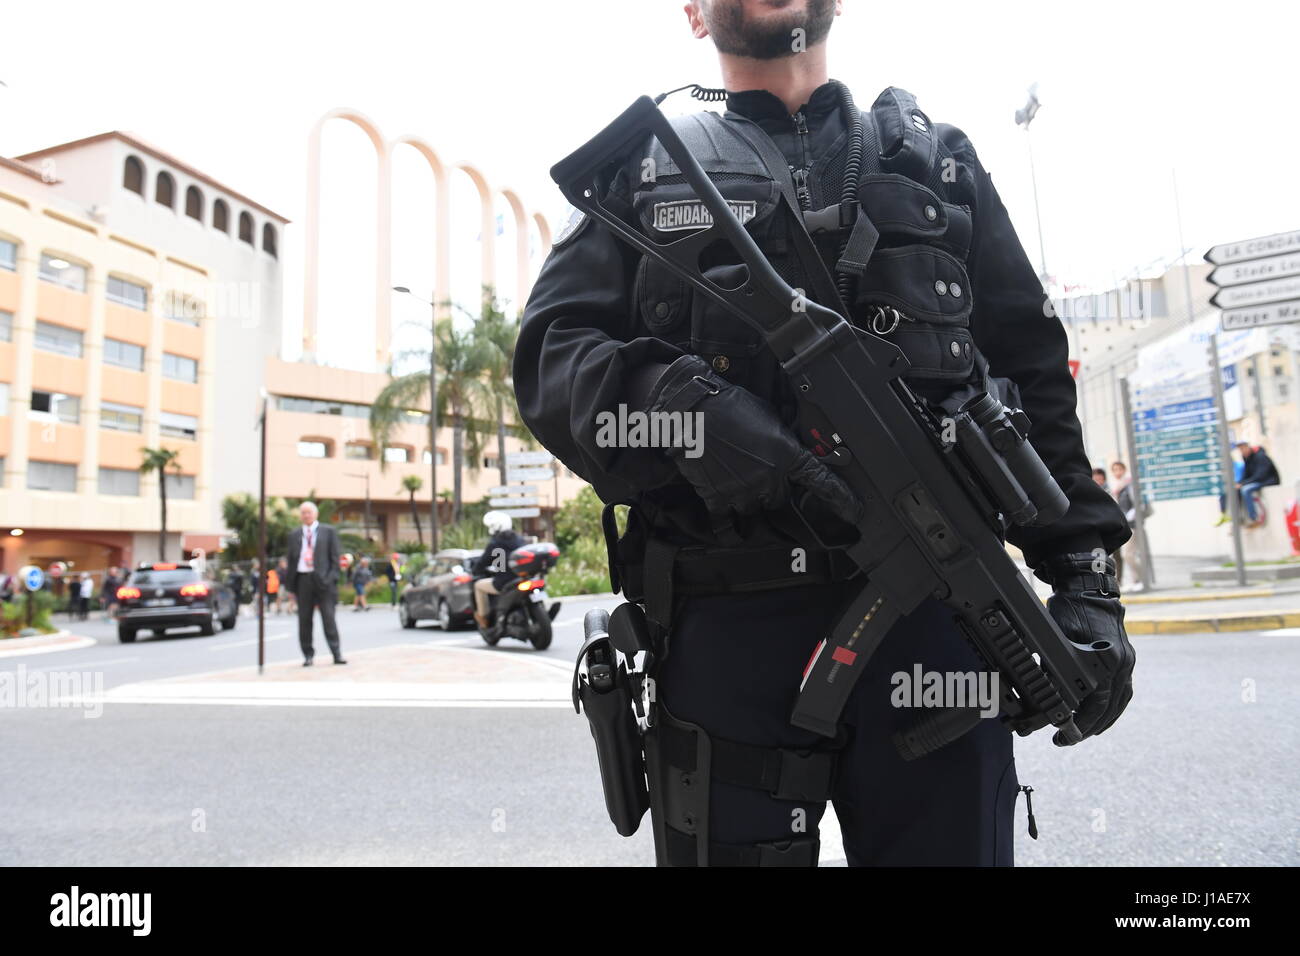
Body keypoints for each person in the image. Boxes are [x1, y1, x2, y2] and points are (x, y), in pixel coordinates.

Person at [514, 0, 1134, 867]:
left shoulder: (939, 163)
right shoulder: (642, 171)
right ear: (694, 14)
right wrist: (686, 416)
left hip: (938, 616)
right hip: (725, 628)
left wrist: (1086, 577)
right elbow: (551, 361)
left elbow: (1032, 370)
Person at [282, 501, 346, 666]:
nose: (306, 515)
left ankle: (336, 653)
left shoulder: (328, 532)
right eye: (303, 513)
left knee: (329, 618)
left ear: (315, 514)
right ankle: (308, 655)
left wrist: (331, 578)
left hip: (324, 581)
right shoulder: (294, 535)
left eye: (309, 512)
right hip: (303, 580)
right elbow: (291, 559)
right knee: (304, 620)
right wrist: (290, 585)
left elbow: (335, 558)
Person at [471, 511, 526, 630]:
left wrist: (475, 569)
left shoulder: (495, 543)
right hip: (523, 577)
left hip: (504, 581)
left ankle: (483, 618)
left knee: (478, 586)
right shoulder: (519, 539)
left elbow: (483, 562)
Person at [1235, 442, 1280, 527]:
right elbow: (1246, 475)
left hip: (1268, 481)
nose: (1242, 451)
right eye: (1240, 449)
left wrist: (1244, 483)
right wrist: (1240, 483)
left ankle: (1254, 518)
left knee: (1246, 490)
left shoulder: (1260, 456)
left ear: (1248, 447)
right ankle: (1240, 518)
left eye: (1243, 448)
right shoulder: (1247, 459)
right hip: (1258, 481)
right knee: (1237, 490)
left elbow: (1261, 475)